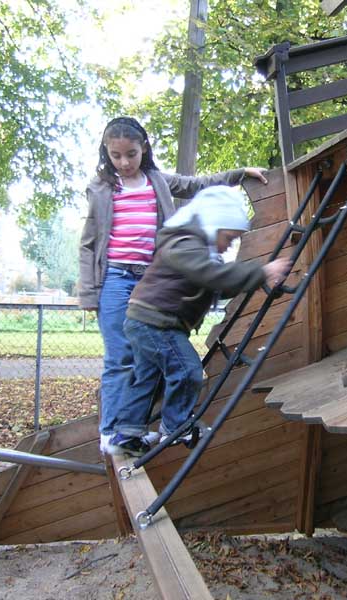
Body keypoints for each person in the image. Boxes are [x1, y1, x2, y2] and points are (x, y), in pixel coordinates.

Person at [78, 116, 270, 452]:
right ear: (106, 153)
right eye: (116, 156)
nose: (123, 162)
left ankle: (134, 427)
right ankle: (110, 433)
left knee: (145, 357)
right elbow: (88, 243)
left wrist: (238, 175)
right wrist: (88, 293)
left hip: (149, 278)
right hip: (114, 278)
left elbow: (198, 184)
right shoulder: (101, 190)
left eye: (131, 154)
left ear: (143, 150)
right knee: (120, 357)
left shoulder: (158, 181)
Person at [107, 186, 291, 455]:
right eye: (229, 237)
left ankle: (127, 434)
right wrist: (260, 271)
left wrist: (258, 278)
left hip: (146, 320)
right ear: (214, 224)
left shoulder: (197, 250)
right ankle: (176, 425)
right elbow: (212, 277)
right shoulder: (184, 244)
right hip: (156, 322)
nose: (230, 244)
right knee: (187, 371)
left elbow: (217, 286)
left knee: (147, 378)